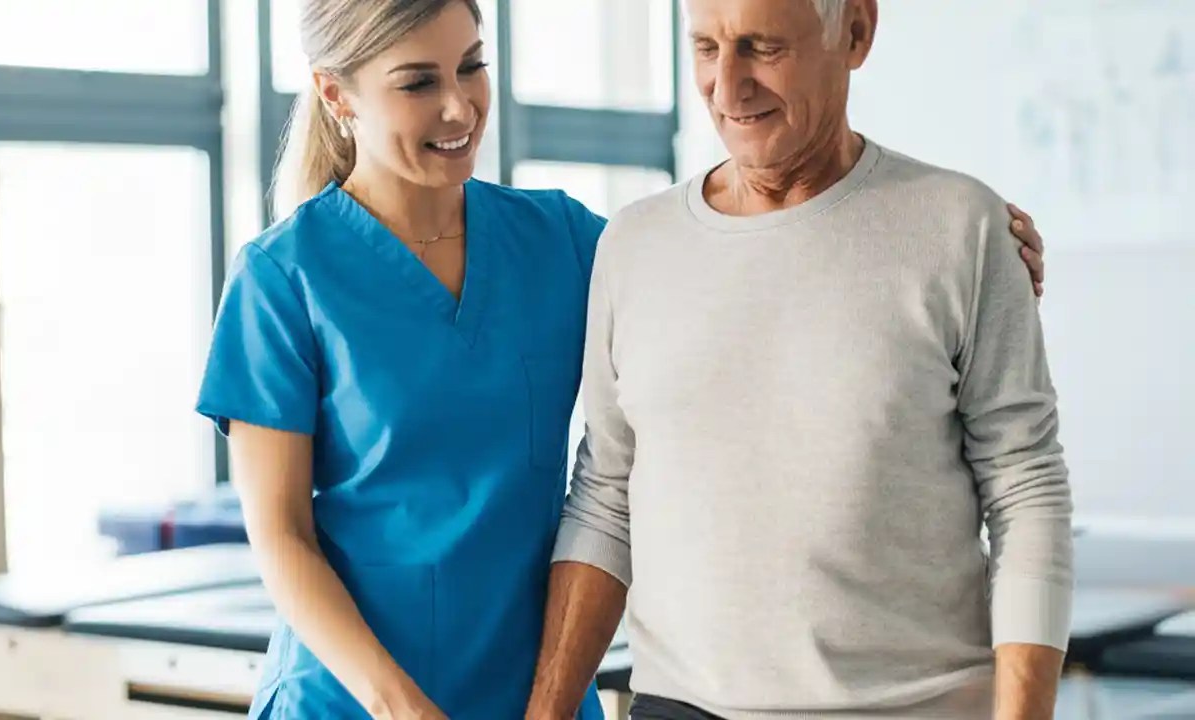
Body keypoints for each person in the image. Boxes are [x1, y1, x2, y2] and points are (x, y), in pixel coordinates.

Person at [194, 0, 1047, 718]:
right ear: (337, 96)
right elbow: (281, 538)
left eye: (472, 66)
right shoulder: (282, 279)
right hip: (353, 696)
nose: (459, 107)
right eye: (418, 82)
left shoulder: (561, 240)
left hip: (524, 687)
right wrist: (398, 705)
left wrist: (961, 236)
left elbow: (740, 268)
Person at [525, 1, 1069, 720]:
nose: (727, 86)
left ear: (856, 33)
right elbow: (606, 496)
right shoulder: (633, 246)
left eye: (761, 47)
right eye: (706, 48)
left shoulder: (961, 227)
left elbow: (1025, 490)